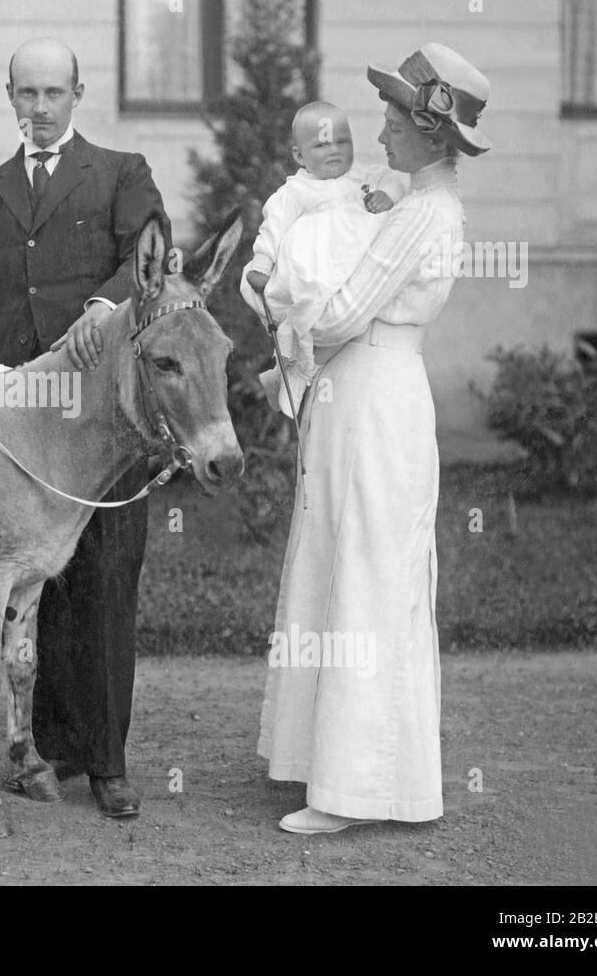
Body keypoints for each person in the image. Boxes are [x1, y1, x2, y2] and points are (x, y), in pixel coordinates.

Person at [240, 43, 492, 834]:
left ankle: (355, 789)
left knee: (368, 576)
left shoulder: (424, 214)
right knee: (338, 561)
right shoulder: (409, 204)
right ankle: (329, 765)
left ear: (429, 131)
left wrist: (279, 312)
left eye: (390, 121)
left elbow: (346, 312)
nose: (378, 136)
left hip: (378, 396)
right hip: (356, 393)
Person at [0, 38, 165, 818]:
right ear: (10, 97)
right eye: (26, 94)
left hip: (103, 413)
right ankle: (41, 746)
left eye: (53, 93)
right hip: (18, 423)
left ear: (78, 94)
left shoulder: (121, 173)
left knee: (100, 578)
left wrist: (105, 304)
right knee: (28, 586)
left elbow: (151, 255)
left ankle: (105, 761)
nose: (39, 108)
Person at [246, 101, 406, 418]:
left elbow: (397, 180)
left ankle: (297, 370)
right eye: (321, 144)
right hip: (312, 266)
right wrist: (262, 263)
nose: (334, 150)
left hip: (349, 269)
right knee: (303, 312)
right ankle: (294, 369)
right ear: (298, 156)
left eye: (342, 141)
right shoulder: (294, 192)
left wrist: (388, 195)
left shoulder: (365, 178)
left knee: (328, 322)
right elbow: (272, 228)